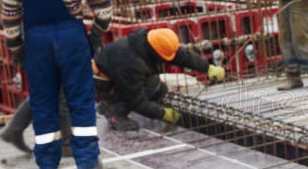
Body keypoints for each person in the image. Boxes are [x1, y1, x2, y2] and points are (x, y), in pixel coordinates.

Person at [1, 0, 112, 169]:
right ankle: (86, 161)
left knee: (43, 102)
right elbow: (104, 5)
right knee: (80, 100)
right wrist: (96, 35)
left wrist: (17, 50)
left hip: (36, 44)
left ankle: (48, 164)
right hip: (71, 39)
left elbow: (10, 19)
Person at [0, 0, 88, 157]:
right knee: (60, 93)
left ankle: (14, 130)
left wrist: (17, 46)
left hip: (40, 40)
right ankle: (67, 144)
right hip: (56, 41)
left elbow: (12, 15)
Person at [93, 28, 225, 131]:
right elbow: (136, 101)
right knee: (147, 88)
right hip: (102, 84)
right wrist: (162, 114)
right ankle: (115, 113)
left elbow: (181, 55)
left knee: (159, 88)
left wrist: (208, 68)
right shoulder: (132, 63)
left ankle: (108, 105)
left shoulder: (149, 41)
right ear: (156, 52)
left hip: (115, 75)